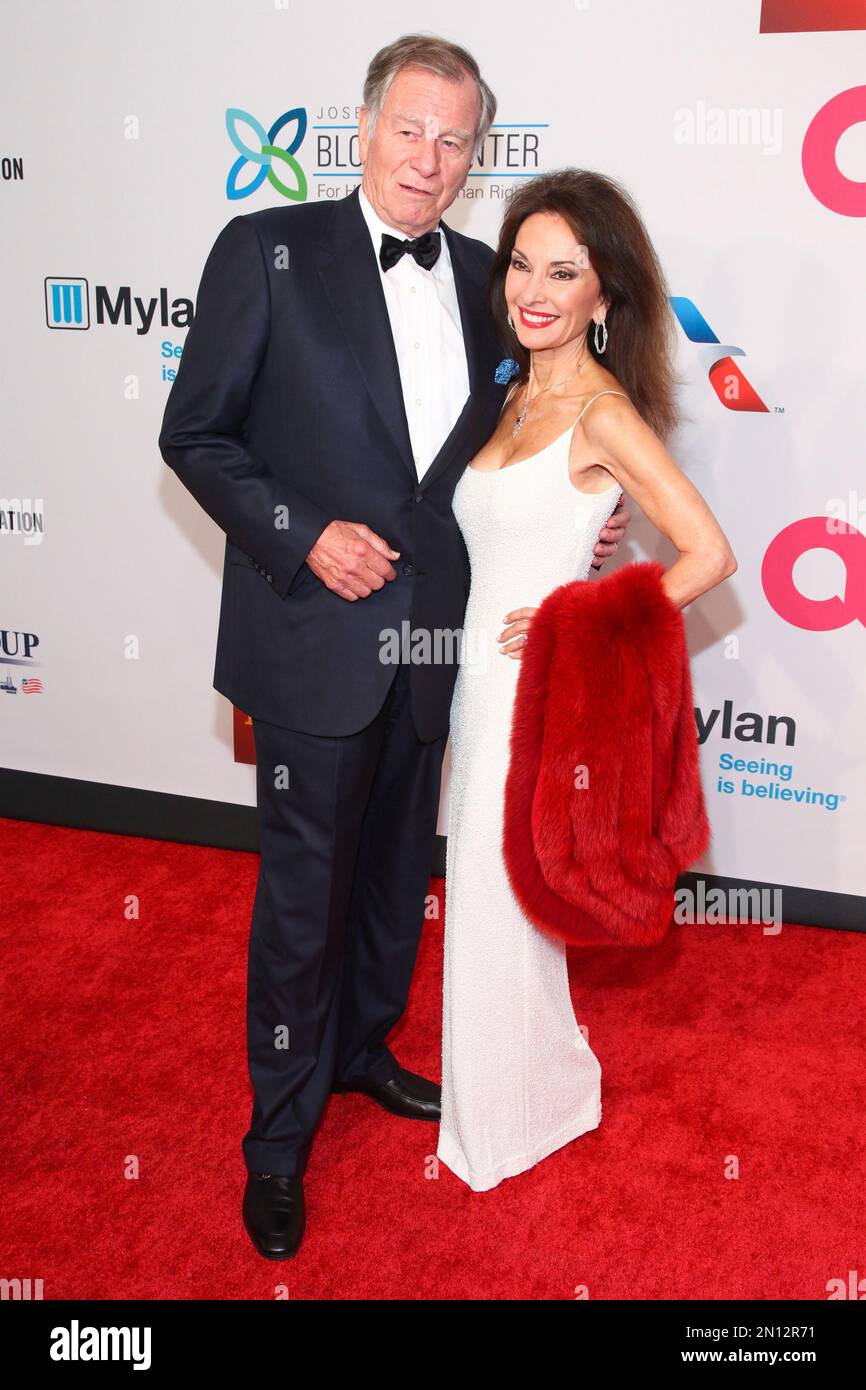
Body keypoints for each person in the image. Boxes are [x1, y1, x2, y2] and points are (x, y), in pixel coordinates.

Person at [158, 34, 629, 1260]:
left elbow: (523, 438)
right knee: (299, 903)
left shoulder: (489, 280)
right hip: (310, 638)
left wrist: (588, 504)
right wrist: (303, 534)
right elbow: (196, 434)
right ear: (360, 128)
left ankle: (365, 1051)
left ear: (478, 157)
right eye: (408, 129)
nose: (428, 159)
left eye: (454, 140)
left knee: (386, 889)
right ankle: (275, 1139)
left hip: (440, 646)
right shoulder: (264, 250)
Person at [437, 168, 737, 1192]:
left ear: (600, 297)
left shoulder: (601, 414)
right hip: (475, 687)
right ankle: (536, 1093)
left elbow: (706, 553)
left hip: (534, 694)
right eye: (521, 262)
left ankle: (504, 1123)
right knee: (492, 901)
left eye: (562, 272)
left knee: (493, 894)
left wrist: (584, 620)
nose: (532, 287)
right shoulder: (515, 388)